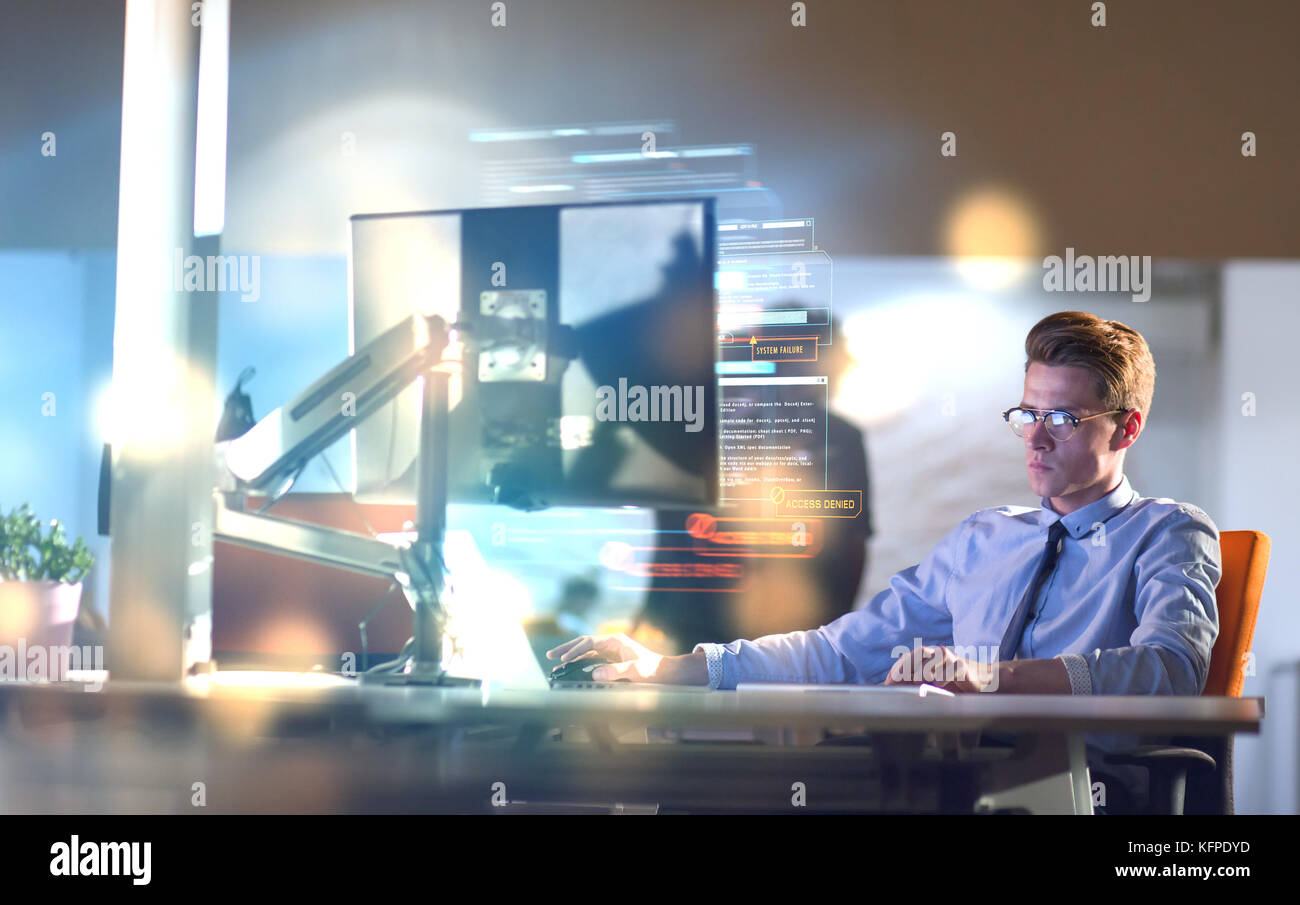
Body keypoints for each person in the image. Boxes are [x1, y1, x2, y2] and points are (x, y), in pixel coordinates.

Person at [548, 310, 1220, 812]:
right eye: (1026, 414)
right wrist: (669, 667)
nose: (1036, 439)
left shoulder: (1168, 532)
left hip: (1074, 788)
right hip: (949, 777)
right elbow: (847, 647)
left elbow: (1172, 670)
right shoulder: (983, 537)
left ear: (1126, 427)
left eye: (1065, 419)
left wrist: (992, 677)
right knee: (724, 782)